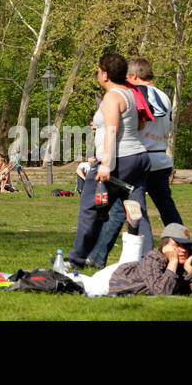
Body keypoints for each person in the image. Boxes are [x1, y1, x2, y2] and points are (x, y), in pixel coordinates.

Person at [87, 57, 182, 263]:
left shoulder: (137, 94)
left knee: (129, 210)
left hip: (139, 158)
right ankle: (181, 245)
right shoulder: (164, 97)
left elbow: (133, 125)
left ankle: (134, 255)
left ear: (134, 76)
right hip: (161, 157)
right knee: (167, 208)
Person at [66, 53, 152, 271]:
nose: (97, 74)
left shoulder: (112, 96)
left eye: (98, 70)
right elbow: (133, 125)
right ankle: (148, 260)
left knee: (89, 208)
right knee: (135, 210)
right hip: (138, 157)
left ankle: (76, 258)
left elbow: (113, 129)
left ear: (104, 74)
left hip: (118, 159)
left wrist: (105, 164)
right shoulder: (130, 94)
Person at [65, 216, 192, 298]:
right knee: (78, 283)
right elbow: (162, 292)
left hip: (131, 271)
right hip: (114, 279)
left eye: (186, 246)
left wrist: (190, 271)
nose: (183, 250)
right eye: (177, 245)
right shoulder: (154, 259)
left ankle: (133, 226)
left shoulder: (191, 263)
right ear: (165, 247)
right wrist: (173, 262)